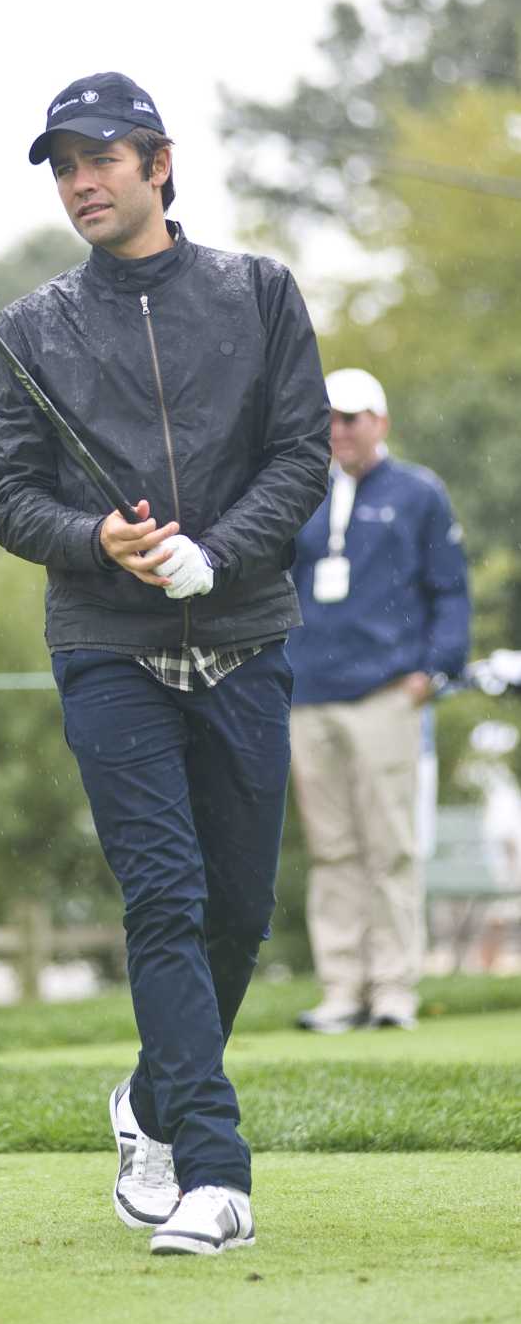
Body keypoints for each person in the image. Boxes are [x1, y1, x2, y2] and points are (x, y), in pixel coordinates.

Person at [0, 72, 330, 1257]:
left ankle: (148, 1100)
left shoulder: (258, 294)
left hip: (246, 635)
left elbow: (298, 457)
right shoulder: (29, 328)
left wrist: (213, 559)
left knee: (236, 912)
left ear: (158, 163)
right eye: (63, 166)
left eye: (101, 160)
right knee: (166, 900)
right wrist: (97, 541)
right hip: (106, 650)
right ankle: (213, 1174)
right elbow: (7, 496)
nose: (81, 182)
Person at [288, 369, 470, 1033]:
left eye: (352, 418)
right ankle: (343, 990)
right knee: (332, 849)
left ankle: (393, 990)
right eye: (330, 418)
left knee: (389, 846)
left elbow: (449, 589)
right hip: (309, 693)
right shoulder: (303, 490)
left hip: (387, 692)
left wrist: (433, 671)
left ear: (380, 422)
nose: (339, 430)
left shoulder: (418, 492)